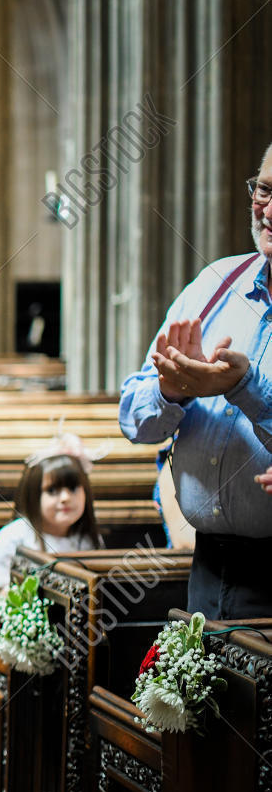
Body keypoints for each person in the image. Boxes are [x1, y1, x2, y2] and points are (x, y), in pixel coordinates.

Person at [119, 144, 272, 617]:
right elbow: (134, 419)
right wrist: (174, 389)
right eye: (264, 190)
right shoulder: (215, 285)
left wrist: (246, 385)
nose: (268, 208)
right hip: (206, 564)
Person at [0, 449, 104, 624]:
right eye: (52, 490)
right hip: (13, 622)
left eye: (73, 488)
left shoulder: (88, 540)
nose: (66, 497)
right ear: (34, 496)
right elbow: (2, 593)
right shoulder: (14, 536)